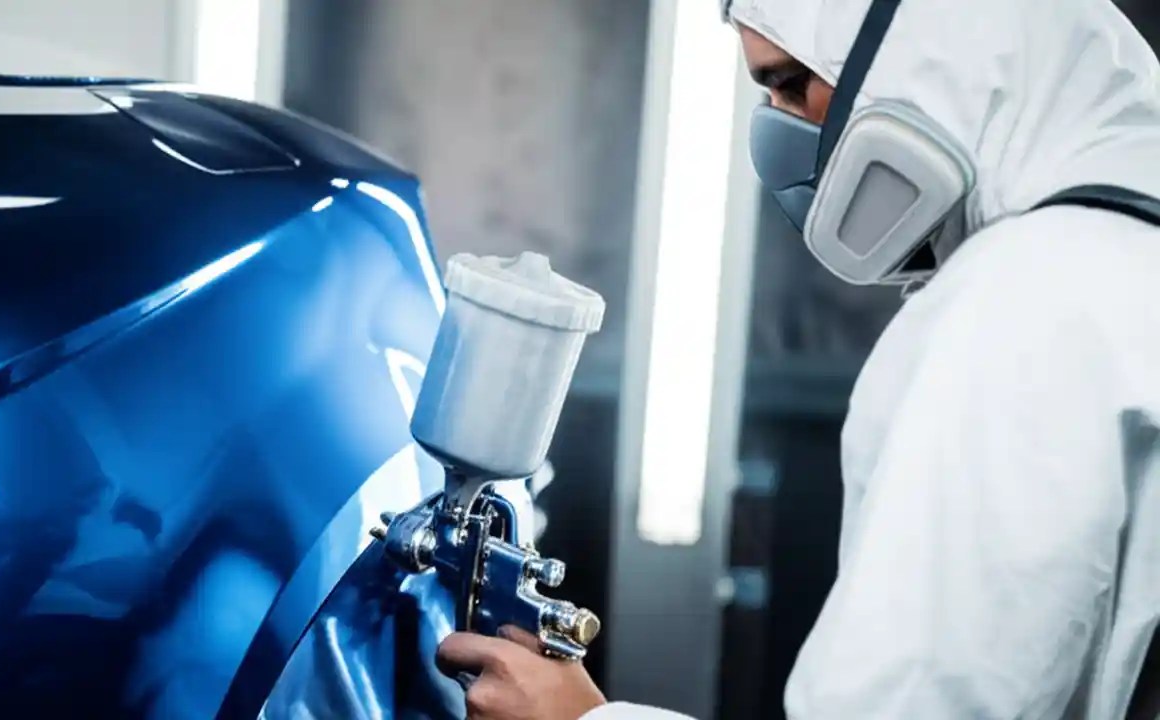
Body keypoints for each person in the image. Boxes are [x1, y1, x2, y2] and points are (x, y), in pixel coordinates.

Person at [436, 0, 1160, 717]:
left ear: (929, 51)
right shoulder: (1117, 272)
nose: (778, 133)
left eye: (788, 85)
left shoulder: (1024, 301)